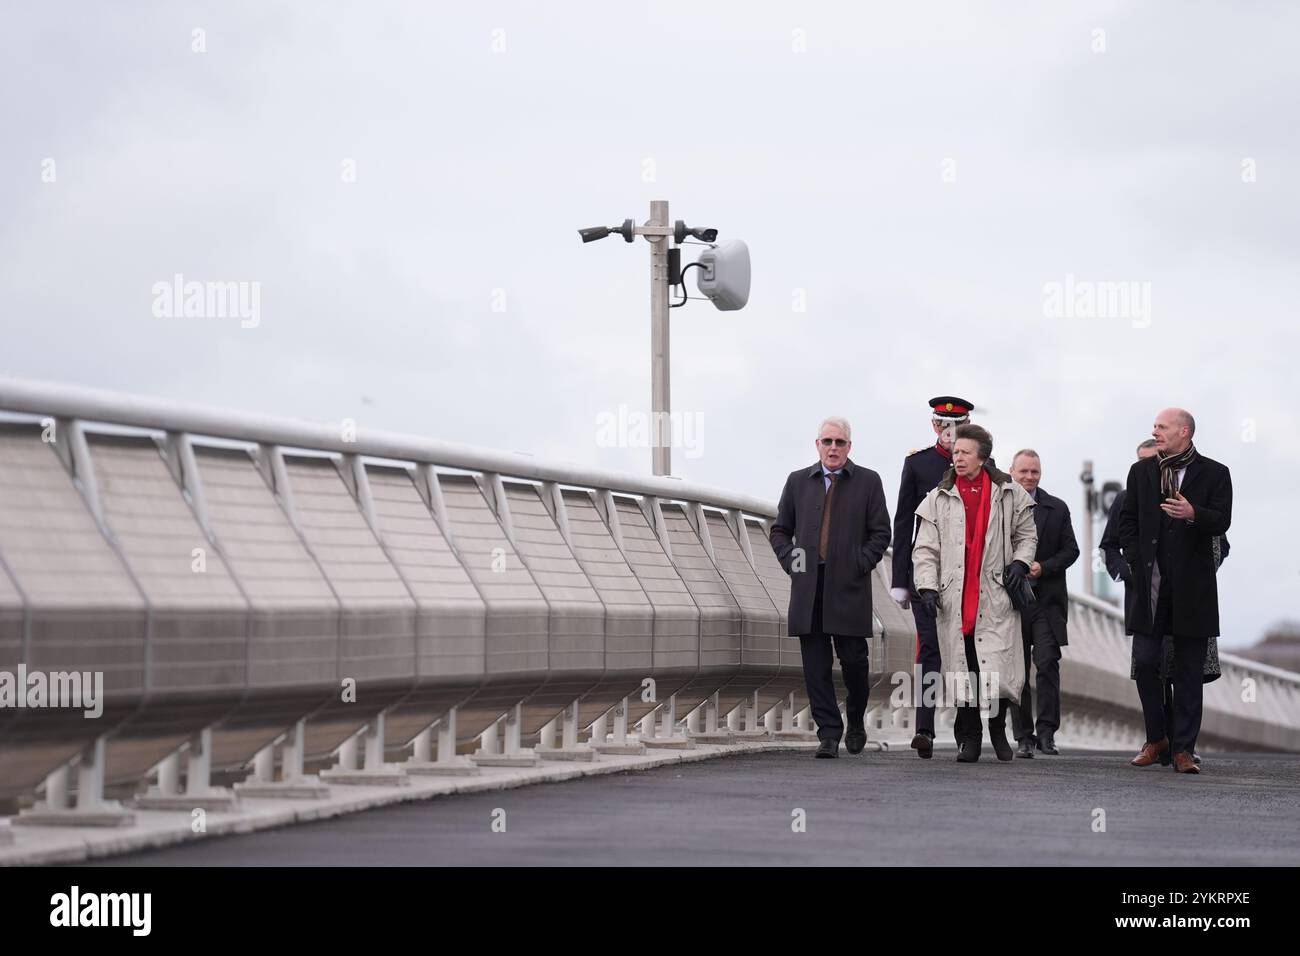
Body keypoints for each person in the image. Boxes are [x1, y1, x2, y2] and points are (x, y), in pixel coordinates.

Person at [912, 424, 1037, 762]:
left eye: (965, 452)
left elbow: (1026, 535)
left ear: (982, 456)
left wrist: (1021, 564)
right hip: (954, 596)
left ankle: (997, 729)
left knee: (995, 665)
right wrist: (926, 585)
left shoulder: (1009, 492)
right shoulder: (937, 498)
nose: (958, 457)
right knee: (962, 665)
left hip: (995, 593)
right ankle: (969, 735)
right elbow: (925, 549)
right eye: (956, 452)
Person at [1118, 408, 1232, 774]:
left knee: (1188, 672)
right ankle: (1157, 739)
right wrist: (1136, 561)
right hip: (1151, 587)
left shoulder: (1216, 473)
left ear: (1184, 431)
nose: (1155, 431)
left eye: (1162, 427)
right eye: (1154, 426)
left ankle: (1183, 749)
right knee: (1146, 662)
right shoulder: (1141, 472)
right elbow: (1128, 522)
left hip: (1193, 590)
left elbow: (1223, 520)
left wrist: (1193, 513)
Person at [770, 416, 892, 758]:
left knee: (854, 662)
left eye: (840, 443)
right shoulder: (798, 481)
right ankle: (828, 733)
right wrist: (794, 565)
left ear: (849, 447)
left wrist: (859, 563)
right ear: (817, 445)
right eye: (828, 442)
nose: (833, 448)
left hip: (849, 586)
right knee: (816, 665)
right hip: (809, 586)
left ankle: (855, 719)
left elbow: (881, 532)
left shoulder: (868, 481)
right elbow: (780, 530)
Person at [889, 396, 975, 759]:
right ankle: (924, 728)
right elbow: (903, 520)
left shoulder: (979, 466)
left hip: (966, 576)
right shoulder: (918, 463)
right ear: (933, 426)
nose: (949, 432)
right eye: (943, 425)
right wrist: (899, 579)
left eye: (956, 426)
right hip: (925, 574)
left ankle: (964, 733)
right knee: (929, 650)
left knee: (965, 653)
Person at [1006, 450, 1079, 757]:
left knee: (1048, 664)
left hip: (1046, 601)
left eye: (1034, 472)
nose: (1029, 477)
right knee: (1017, 671)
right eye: (1023, 471)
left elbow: (1071, 550)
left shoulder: (1057, 508)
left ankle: (1047, 733)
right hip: (1011, 601)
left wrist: (1044, 566)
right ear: (1012, 472)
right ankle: (1023, 737)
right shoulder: (1001, 506)